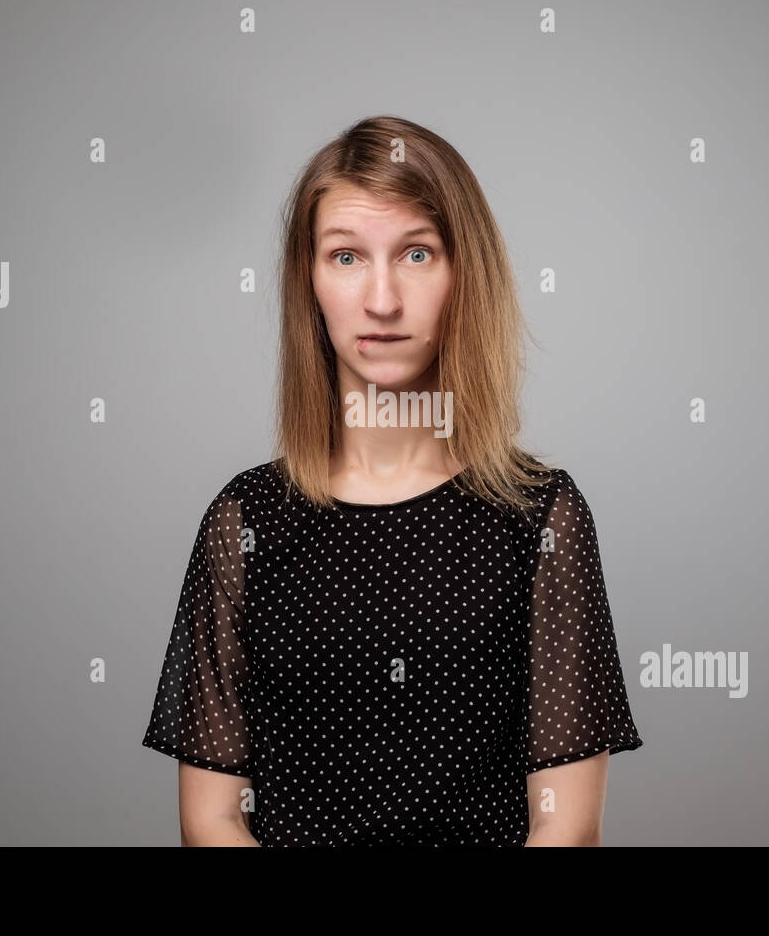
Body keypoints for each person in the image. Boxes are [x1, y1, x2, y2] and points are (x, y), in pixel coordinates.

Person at [142, 114, 643, 846]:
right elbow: (211, 820)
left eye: (415, 254)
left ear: (463, 272)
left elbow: (565, 832)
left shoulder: (540, 518)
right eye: (346, 258)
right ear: (308, 281)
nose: (381, 300)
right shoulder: (244, 520)